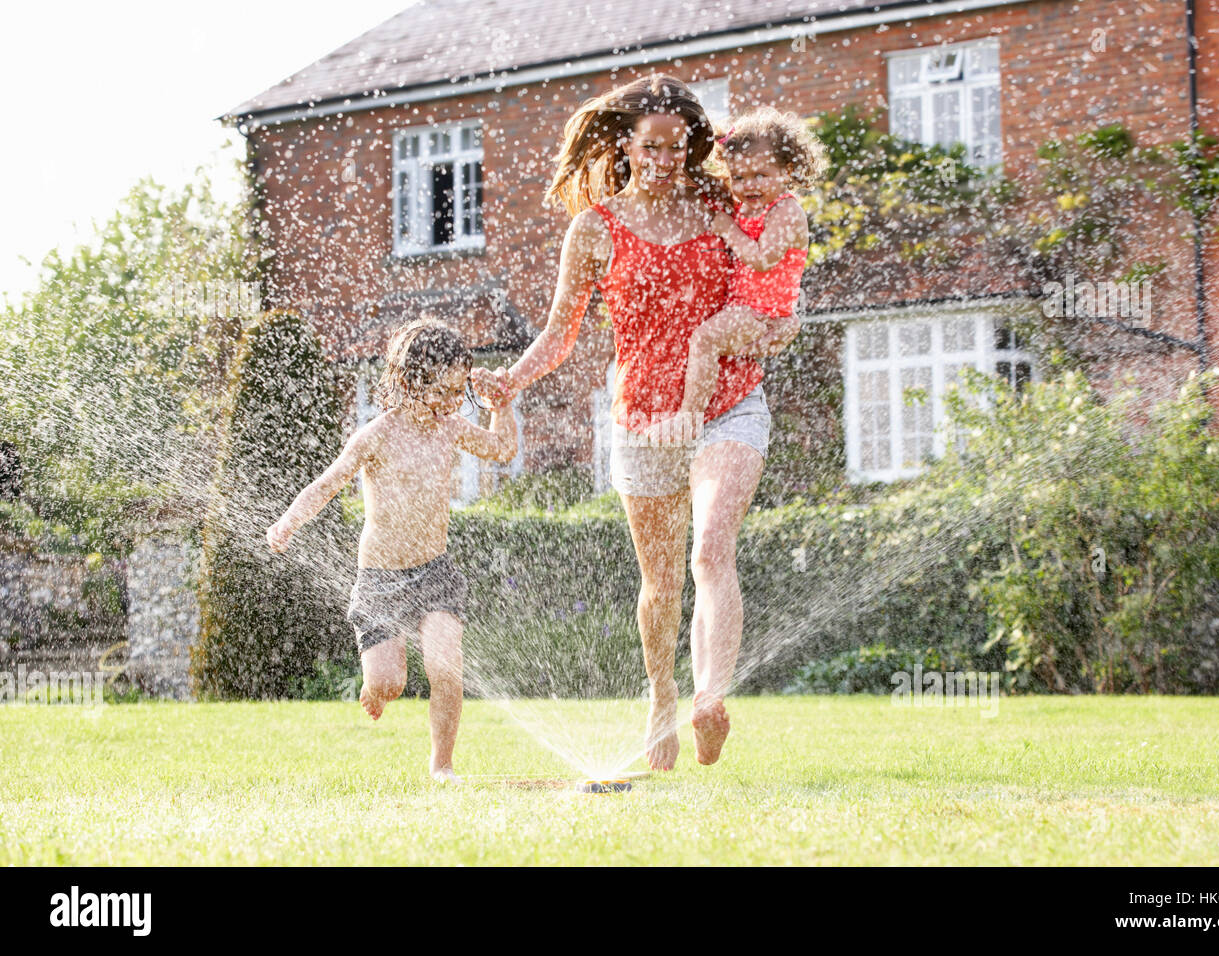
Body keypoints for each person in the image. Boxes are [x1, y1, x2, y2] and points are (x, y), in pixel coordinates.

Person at [474, 74, 799, 770]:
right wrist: (510, 380)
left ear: (690, 146)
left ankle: (710, 697)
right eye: (649, 148)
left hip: (727, 400)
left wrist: (780, 319)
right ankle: (662, 693)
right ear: (626, 145)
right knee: (661, 585)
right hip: (645, 420)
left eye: (676, 148)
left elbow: (779, 256)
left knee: (712, 548)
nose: (663, 161)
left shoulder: (719, 202)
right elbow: (561, 335)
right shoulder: (594, 229)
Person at [267, 317, 517, 783]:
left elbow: (502, 449)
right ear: (406, 382)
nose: (449, 403)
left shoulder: (450, 428)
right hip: (381, 580)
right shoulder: (376, 436)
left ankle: (441, 765)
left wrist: (501, 407)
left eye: (457, 391)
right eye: (440, 391)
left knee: (447, 666)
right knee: (390, 682)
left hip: (435, 572)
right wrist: (289, 522)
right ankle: (375, 688)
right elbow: (327, 485)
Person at [642, 106, 827, 445]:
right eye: (739, 178)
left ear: (786, 171)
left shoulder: (785, 210)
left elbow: (762, 259)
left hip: (761, 312)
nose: (749, 186)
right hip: (747, 309)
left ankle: (688, 418)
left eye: (760, 175)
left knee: (705, 340)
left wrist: (728, 230)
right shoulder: (751, 205)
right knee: (707, 345)